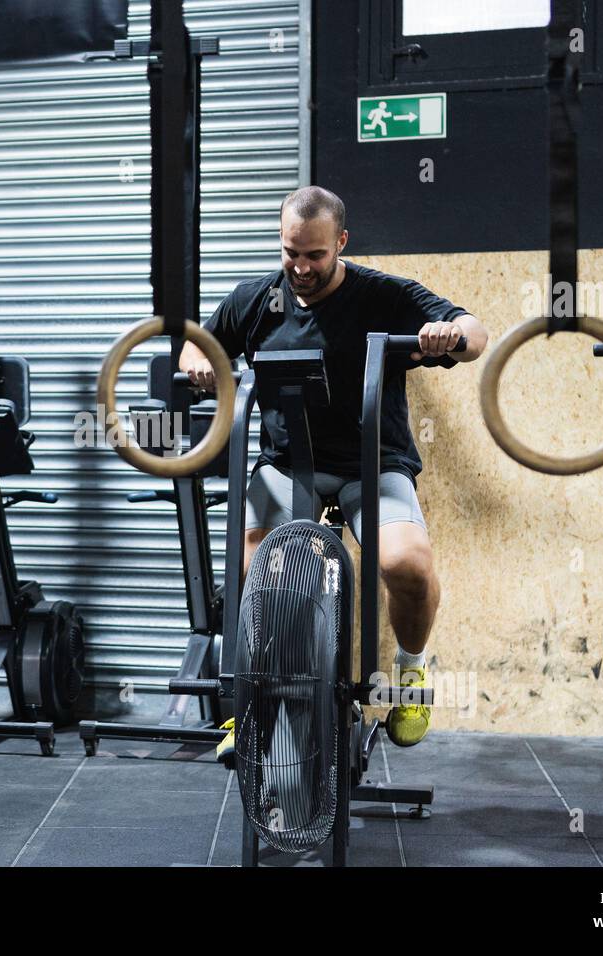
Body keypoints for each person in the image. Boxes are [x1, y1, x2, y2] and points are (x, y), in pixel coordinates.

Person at [180, 185, 488, 756]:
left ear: (340, 243)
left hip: (371, 462)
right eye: (290, 252)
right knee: (247, 567)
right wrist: (199, 363)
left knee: (406, 564)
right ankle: (254, 700)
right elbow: (196, 346)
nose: (300, 267)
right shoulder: (256, 300)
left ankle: (412, 675)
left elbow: (474, 335)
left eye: (314, 255)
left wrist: (449, 335)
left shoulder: (382, 294)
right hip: (285, 462)